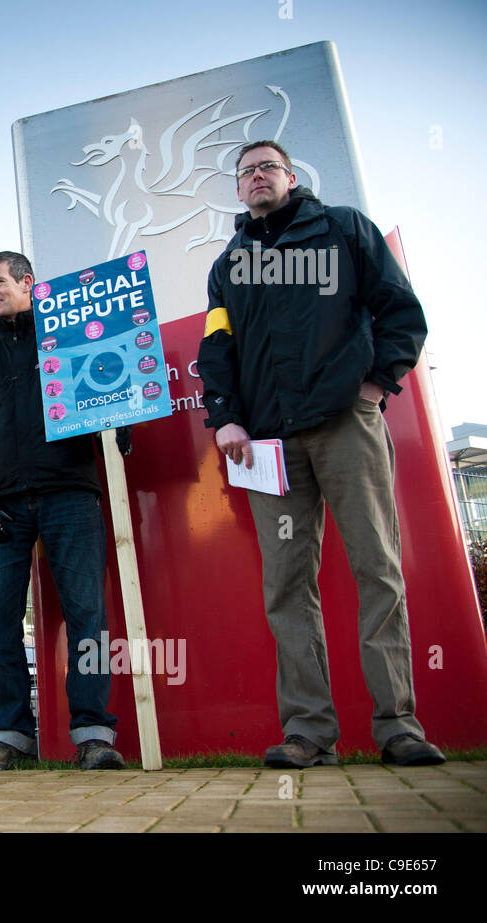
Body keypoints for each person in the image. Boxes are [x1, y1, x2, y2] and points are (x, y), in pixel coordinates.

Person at [197, 139, 444, 768]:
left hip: (344, 425)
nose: (257, 178)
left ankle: (398, 726)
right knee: (285, 584)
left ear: (290, 176)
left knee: (377, 569)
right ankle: (309, 731)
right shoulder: (229, 263)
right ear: (237, 188)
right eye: (246, 172)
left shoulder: (343, 229)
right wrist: (225, 420)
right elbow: (217, 349)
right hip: (267, 444)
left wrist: (376, 382)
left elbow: (400, 310)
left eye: (267, 168)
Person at [0, 251, 125, 771]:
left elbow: (113, 396)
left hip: (70, 494)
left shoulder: (72, 342)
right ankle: (10, 737)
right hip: (0, 506)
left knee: (86, 616)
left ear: (29, 283)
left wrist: (124, 424)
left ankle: (93, 735)